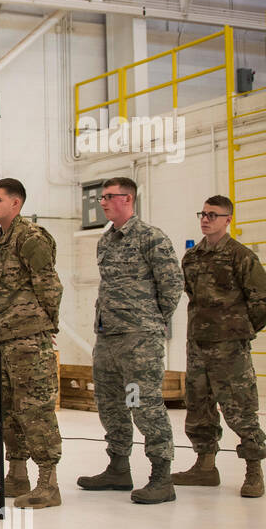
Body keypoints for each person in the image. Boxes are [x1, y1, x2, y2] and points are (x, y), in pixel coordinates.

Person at [78, 177, 184, 504]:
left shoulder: (151, 238)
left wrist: (149, 321)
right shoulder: (106, 241)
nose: (103, 203)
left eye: (109, 197)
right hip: (108, 337)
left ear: (128, 199)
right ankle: (118, 468)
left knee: (143, 404)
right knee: (110, 404)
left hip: (139, 339)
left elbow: (172, 286)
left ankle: (161, 477)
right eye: (103, 197)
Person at [174, 195, 266, 497]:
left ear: (228, 219)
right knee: (199, 407)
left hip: (230, 347)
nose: (206, 219)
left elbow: (261, 301)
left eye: (213, 215)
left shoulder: (241, 256)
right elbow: (192, 295)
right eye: (202, 214)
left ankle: (254, 470)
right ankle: (205, 466)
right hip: (198, 345)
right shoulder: (191, 258)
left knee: (240, 408)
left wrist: (239, 331)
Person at [0, 178, 64, 508]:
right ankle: (17, 475)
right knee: (6, 410)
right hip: (1, 337)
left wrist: (46, 325)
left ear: (16, 203)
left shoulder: (31, 237)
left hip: (28, 340)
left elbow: (50, 285)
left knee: (35, 410)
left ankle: (49, 483)